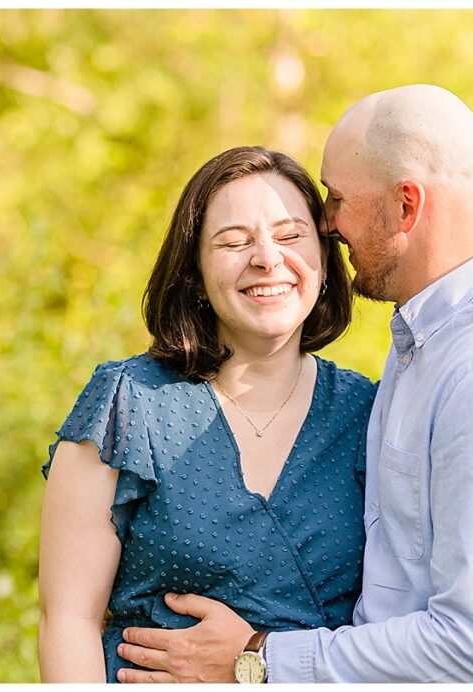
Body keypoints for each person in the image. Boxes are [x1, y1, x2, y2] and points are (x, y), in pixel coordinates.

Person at [115, 84, 473, 683]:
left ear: (405, 206)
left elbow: (472, 649)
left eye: (337, 198)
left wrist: (258, 658)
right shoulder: (427, 345)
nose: (326, 223)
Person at [37, 146, 376, 682]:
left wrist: (251, 661)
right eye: (234, 242)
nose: (266, 258)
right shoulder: (128, 403)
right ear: (194, 270)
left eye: (290, 236)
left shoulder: (371, 415)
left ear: (324, 260)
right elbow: (69, 619)